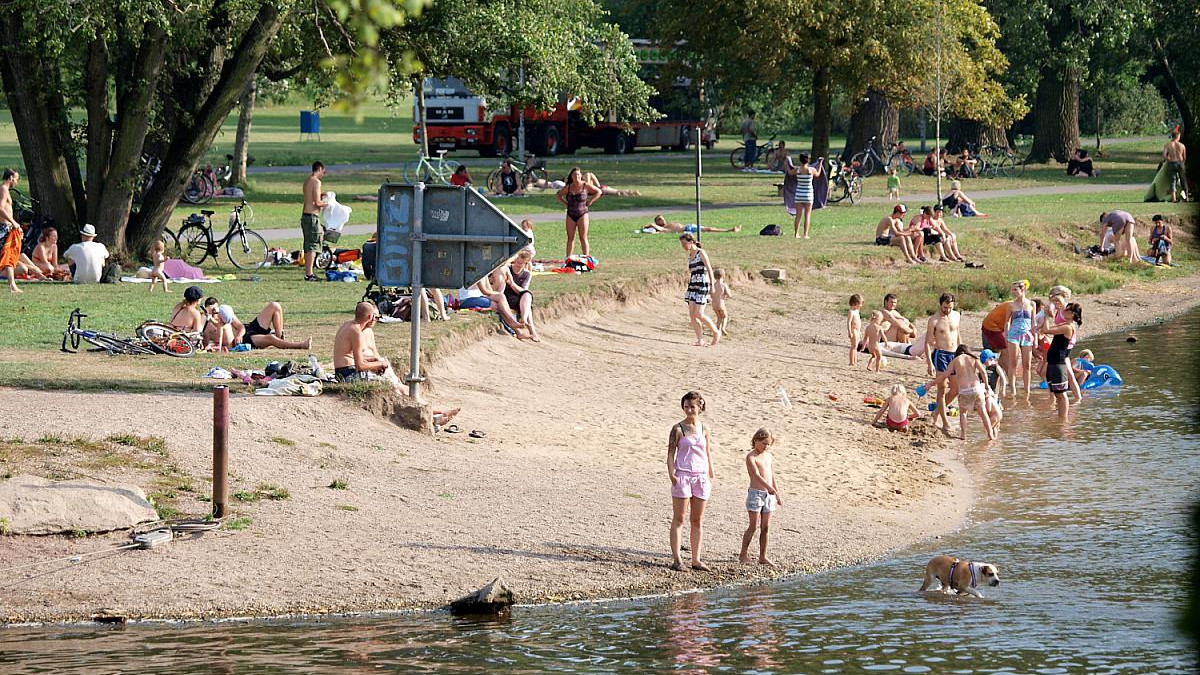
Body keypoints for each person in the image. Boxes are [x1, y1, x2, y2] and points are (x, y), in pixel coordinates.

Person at [667, 391, 715, 572]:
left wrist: (711, 471)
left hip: (700, 476)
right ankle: (677, 559)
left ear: (700, 406)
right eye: (686, 407)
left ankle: (696, 559)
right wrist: (672, 473)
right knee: (679, 518)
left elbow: (708, 451)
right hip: (683, 475)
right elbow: (671, 453)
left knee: (697, 519)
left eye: (692, 407)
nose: (689, 410)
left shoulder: (705, 428)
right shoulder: (678, 429)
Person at [739, 428, 782, 566]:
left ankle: (763, 556)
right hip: (756, 494)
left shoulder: (768, 456)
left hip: (769, 496)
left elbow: (772, 475)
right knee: (753, 526)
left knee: (766, 526)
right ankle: (743, 554)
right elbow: (756, 475)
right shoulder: (751, 457)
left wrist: (777, 493)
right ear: (756, 440)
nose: (766, 446)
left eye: (768, 444)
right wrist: (768, 487)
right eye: (764, 443)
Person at [201, 298, 312, 351]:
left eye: (216, 309)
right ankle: (301, 345)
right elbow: (212, 342)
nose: (215, 312)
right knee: (270, 338)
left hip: (248, 329)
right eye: (212, 310)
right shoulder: (208, 324)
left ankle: (280, 338)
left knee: (275, 306)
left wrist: (239, 335)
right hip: (247, 340)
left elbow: (240, 326)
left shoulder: (225, 314)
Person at [924, 293, 962, 432]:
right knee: (942, 388)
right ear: (941, 305)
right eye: (945, 307)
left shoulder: (956, 316)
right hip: (941, 355)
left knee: (955, 389)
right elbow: (927, 343)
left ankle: (936, 413)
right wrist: (929, 363)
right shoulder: (934, 320)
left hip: (955, 354)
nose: (947, 310)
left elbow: (958, 335)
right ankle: (945, 422)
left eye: (950, 307)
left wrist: (962, 353)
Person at [333, 302, 395, 384]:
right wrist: (381, 364)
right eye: (375, 316)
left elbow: (349, 356)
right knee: (390, 383)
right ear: (370, 316)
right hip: (348, 375)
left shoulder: (347, 325)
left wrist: (372, 361)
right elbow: (360, 366)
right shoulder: (356, 331)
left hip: (341, 372)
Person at [945, 345, 995, 440]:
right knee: (983, 413)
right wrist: (987, 386)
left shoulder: (955, 360)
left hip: (964, 390)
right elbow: (983, 372)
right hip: (976, 389)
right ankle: (990, 435)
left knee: (963, 413)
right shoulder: (974, 358)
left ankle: (963, 435)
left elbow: (946, 374)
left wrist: (933, 383)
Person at [680, 233, 721, 346]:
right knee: (692, 314)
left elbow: (709, 268)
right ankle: (700, 339)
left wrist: (712, 285)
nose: (683, 246)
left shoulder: (701, 252)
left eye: (684, 243)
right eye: (682, 244)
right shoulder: (690, 255)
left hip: (703, 284)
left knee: (699, 313)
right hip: (693, 284)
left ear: (691, 241)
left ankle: (716, 332)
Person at [1043, 302, 1083, 418]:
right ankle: (1061, 417)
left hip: (1058, 364)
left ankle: (1063, 420)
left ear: (1072, 314)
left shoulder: (1067, 327)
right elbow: (1050, 328)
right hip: (1053, 362)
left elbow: (1046, 330)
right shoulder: (1065, 324)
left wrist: (1045, 315)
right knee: (1057, 394)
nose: (1064, 311)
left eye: (1067, 310)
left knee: (1061, 394)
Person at [556, 167, 601, 260]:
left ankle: (587, 258)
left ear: (581, 176)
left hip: (582, 214)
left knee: (583, 237)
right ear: (571, 177)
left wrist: (591, 201)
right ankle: (568, 258)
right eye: (574, 175)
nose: (576, 177)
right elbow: (558, 195)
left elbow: (598, 192)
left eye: (578, 175)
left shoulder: (585, 185)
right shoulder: (568, 187)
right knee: (570, 238)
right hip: (570, 214)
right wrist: (565, 203)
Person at [497, 249, 540, 342]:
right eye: (517, 262)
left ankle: (525, 322)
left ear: (525, 264)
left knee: (527, 296)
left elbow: (523, 290)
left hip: (518, 297)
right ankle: (529, 329)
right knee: (527, 303)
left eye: (521, 263)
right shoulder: (508, 269)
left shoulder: (526, 274)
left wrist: (512, 284)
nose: (517, 265)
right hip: (506, 296)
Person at [1003, 280, 1037, 396]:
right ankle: (1013, 390)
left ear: (1022, 290)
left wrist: (1035, 338)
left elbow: (1033, 322)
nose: (1013, 292)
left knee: (1027, 364)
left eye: (1015, 289)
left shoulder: (1032, 304)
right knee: (1013, 363)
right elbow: (1007, 321)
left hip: (1027, 335)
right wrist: (1006, 335)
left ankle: (1027, 391)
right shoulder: (1011, 305)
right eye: (1012, 290)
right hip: (1014, 335)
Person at [302, 161, 329, 281]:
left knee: (308, 244)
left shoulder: (307, 181)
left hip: (305, 216)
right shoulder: (317, 181)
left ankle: (308, 272)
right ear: (320, 169)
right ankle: (310, 273)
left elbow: (311, 197)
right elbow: (317, 203)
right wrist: (328, 204)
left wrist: (322, 195)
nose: (323, 174)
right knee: (313, 245)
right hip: (313, 217)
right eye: (324, 172)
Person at [0, 168, 24, 292]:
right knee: (8, 254)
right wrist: (14, 222)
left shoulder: (5, 189)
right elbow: (1, 208)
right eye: (16, 178)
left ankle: (12, 285)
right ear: (10, 178)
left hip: (7, 227)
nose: (17, 181)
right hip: (3, 227)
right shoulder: (3, 189)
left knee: (9, 255)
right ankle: (12, 286)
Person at [792, 152, 823, 239]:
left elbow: (790, 173)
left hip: (799, 194)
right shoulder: (811, 170)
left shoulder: (797, 170)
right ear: (807, 159)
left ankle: (796, 234)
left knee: (798, 215)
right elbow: (818, 174)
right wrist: (820, 164)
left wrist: (787, 164)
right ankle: (805, 234)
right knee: (807, 215)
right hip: (808, 194)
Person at [979, 348, 1006, 430]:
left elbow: (1003, 378)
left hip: (995, 394)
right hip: (988, 394)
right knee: (990, 413)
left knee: (997, 413)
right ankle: (990, 430)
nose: (986, 364)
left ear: (991, 359)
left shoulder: (996, 367)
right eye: (984, 363)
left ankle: (996, 431)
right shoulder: (984, 370)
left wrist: (1003, 389)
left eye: (986, 362)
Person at [644, 215, 740, 234]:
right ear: (657, 223)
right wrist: (648, 226)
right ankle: (730, 230)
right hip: (687, 229)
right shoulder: (663, 229)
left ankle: (730, 230)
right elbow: (652, 225)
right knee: (708, 229)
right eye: (660, 219)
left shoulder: (666, 226)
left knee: (708, 229)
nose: (663, 219)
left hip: (688, 226)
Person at [1163, 128, 1187, 202]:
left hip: (1172, 163)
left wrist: (1169, 159)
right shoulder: (1182, 145)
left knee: (1172, 181)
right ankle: (1187, 198)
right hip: (1180, 163)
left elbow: (1164, 155)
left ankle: (1174, 199)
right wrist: (1183, 163)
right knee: (1183, 180)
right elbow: (1184, 157)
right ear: (1178, 136)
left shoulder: (1168, 145)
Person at [711, 268, 732, 335]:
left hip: (714, 304)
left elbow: (710, 293)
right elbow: (729, 295)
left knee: (719, 317)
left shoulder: (713, 285)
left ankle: (717, 331)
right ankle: (723, 328)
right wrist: (726, 295)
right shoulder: (723, 285)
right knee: (725, 317)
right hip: (721, 304)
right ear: (723, 276)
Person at [847, 294, 863, 366]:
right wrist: (850, 332)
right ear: (855, 303)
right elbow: (849, 322)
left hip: (858, 330)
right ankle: (851, 361)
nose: (861, 305)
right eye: (860, 303)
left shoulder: (857, 311)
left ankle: (855, 361)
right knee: (853, 346)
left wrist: (860, 331)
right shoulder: (851, 311)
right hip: (853, 330)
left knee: (856, 347)